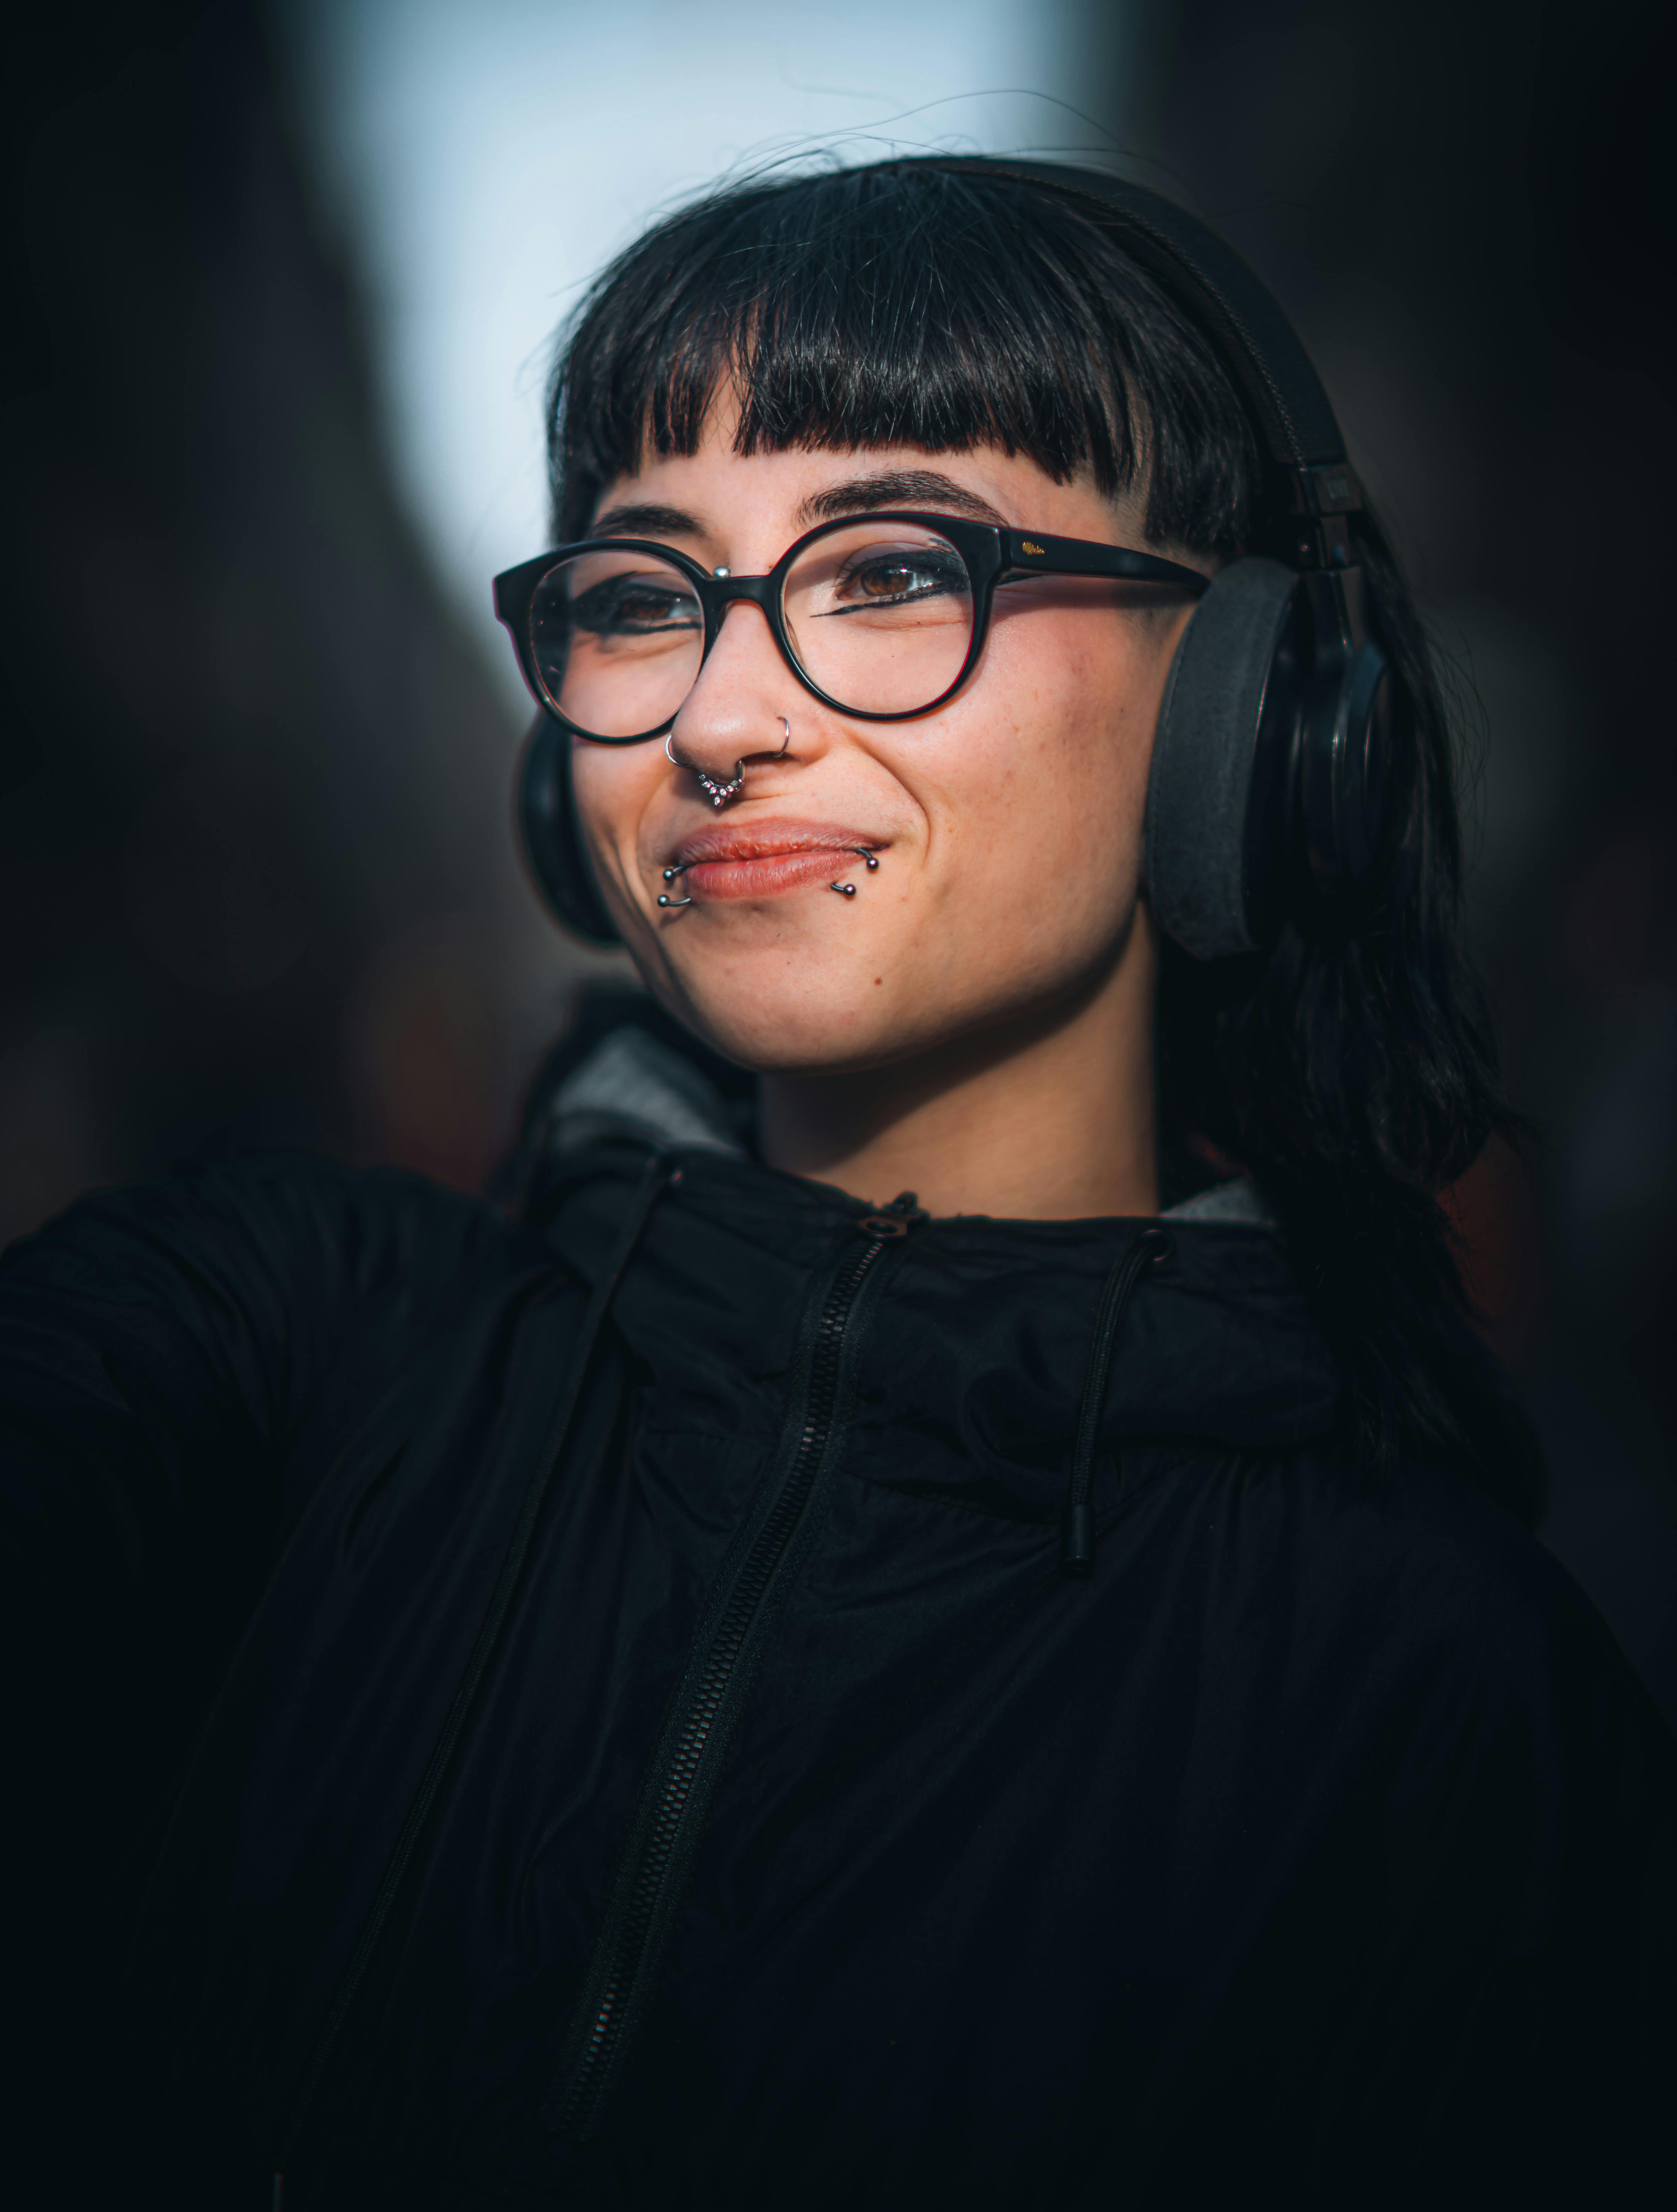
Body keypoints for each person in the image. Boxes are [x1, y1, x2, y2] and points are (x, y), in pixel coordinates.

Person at [3, 158, 1671, 2211]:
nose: (718, 719)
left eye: (891, 571)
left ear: (1251, 710)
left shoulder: (1458, 1714)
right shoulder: (293, 1342)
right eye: (641, 597)